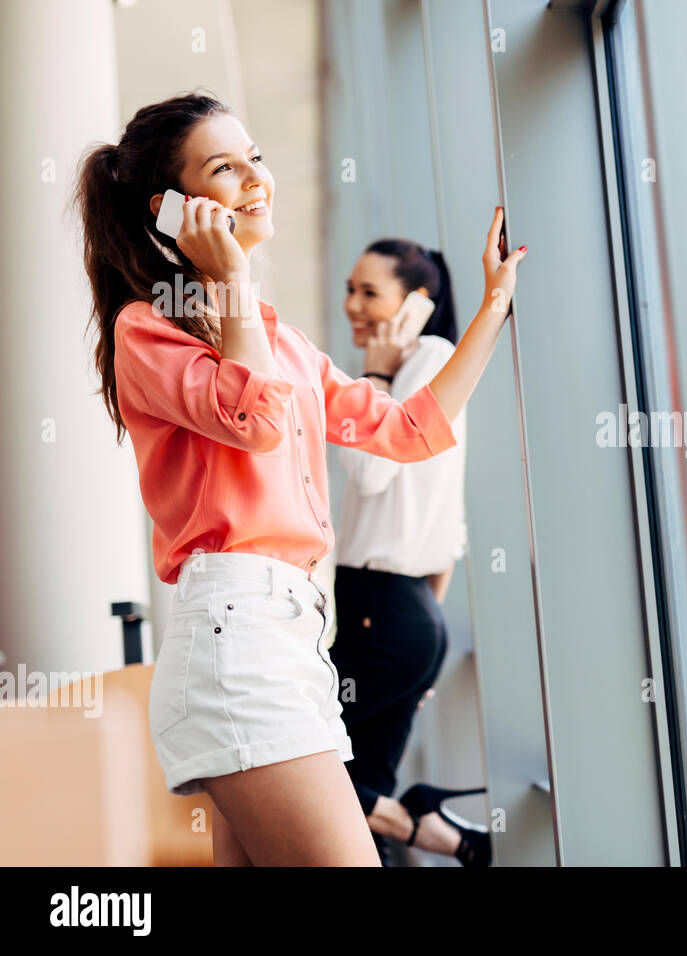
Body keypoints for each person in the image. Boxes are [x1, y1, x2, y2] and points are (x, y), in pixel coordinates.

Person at [75, 91, 525, 866]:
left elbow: (408, 432)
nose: (256, 178)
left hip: (295, 642)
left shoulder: (280, 341)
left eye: (257, 157)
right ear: (173, 209)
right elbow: (253, 419)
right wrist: (232, 277)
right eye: (225, 166)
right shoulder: (144, 330)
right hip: (236, 635)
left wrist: (491, 306)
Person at [331, 238, 487, 867]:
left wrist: (375, 371)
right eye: (350, 288)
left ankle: (426, 828)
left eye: (371, 292)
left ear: (415, 304)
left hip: (385, 616)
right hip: (408, 617)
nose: (353, 305)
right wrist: (424, 637)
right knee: (353, 796)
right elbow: (450, 528)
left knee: (306, 763)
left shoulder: (420, 362)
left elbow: (368, 475)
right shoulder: (433, 364)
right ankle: (419, 826)